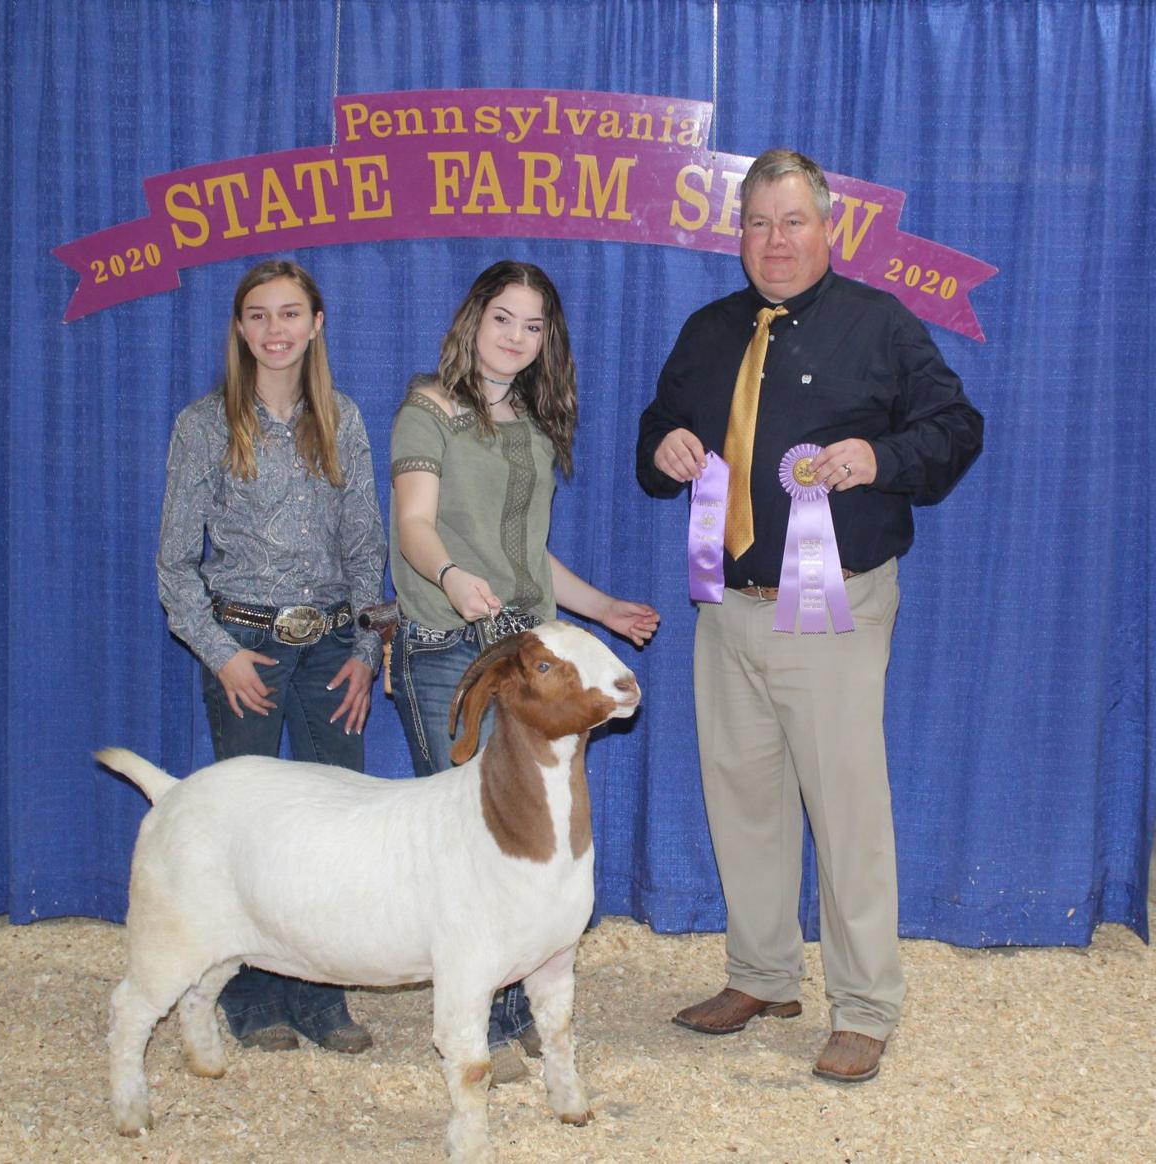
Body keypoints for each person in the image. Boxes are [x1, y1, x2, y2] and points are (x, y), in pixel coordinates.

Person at [636, 150, 983, 1083]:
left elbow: (957, 428)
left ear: (829, 228)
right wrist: (663, 447)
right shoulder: (709, 330)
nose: (775, 241)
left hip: (834, 604)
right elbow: (655, 433)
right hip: (727, 606)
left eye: (793, 221)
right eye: (758, 223)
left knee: (845, 807)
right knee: (741, 798)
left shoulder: (881, 324)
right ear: (739, 233)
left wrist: (878, 458)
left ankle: (865, 1006)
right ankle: (761, 975)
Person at [389, 259, 659, 1083]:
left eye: (533, 326)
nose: (515, 336)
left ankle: (521, 1011)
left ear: (548, 341)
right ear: (473, 319)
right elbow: (414, 523)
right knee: (475, 842)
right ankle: (486, 1028)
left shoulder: (533, 426)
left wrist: (603, 608)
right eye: (502, 317)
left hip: (525, 655)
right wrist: (449, 578)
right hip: (447, 643)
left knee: (531, 835)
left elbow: (530, 556)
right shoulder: (427, 409)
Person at [156, 258, 387, 1055]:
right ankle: (252, 994)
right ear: (240, 328)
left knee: (336, 823)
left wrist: (367, 647)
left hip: (331, 647)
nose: (274, 330)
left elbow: (366, 547)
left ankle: (323, 995)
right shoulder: (205, 426)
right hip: (245, 645)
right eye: (258, 315)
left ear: (316, 325)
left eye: (290, 314)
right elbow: (175, 563)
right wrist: (219, 653)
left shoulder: (343, 420)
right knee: (248, 828)